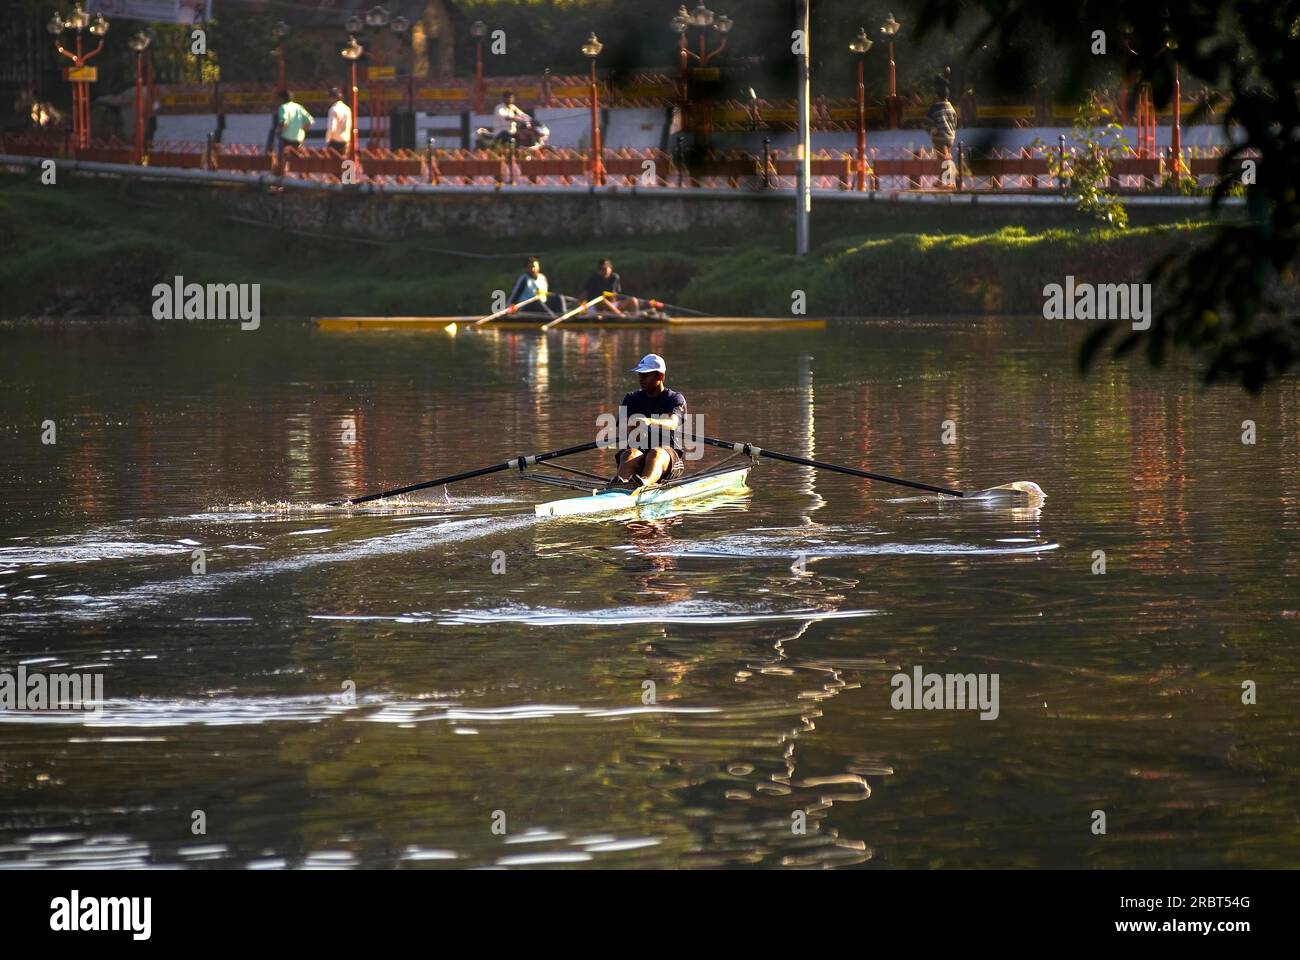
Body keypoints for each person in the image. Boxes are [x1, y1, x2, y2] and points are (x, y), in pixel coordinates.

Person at [609, 354, 687, 489]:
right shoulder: (631, 398)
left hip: (668, 457)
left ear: (660, 376)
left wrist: (649, 421)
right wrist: (632, 427)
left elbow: (673, 423)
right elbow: (624, 426)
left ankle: (644, 483)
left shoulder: (675, 399)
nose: (641, 379)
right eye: (640, 375)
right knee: (629, 453)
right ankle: (618, 489)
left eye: (645, 375)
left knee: (656, 452)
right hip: (639, 451)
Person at [269, 89, 314, 174]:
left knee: (283, 159)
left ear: (282, 99)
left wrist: (278, 131)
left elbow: (284, 122)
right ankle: (303, 176)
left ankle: (282, 176)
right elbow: (310, 121)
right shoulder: (299, 107)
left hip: (286, 139)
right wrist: (302, 130)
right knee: (299, 158)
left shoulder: (283, 107)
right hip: (298, 140)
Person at [923, 70, 957, 168]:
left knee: (941, 159)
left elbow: (926, 122)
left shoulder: (934, 108)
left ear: (936, 95)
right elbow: (955, 122)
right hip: (950, 137)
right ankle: (946, 179)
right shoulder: (951, 108)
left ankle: (943, 180)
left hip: (939, 138)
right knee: (946, 156)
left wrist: (931, 130)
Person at [325, 86, 352, 155]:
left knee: (333, 164)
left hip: (335, 142)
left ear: (333, 98)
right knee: (344, 164)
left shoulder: (333, 109)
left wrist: (328, 140)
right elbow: (349, 125)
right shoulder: (347, 109)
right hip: (345, 140)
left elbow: (331, 128)